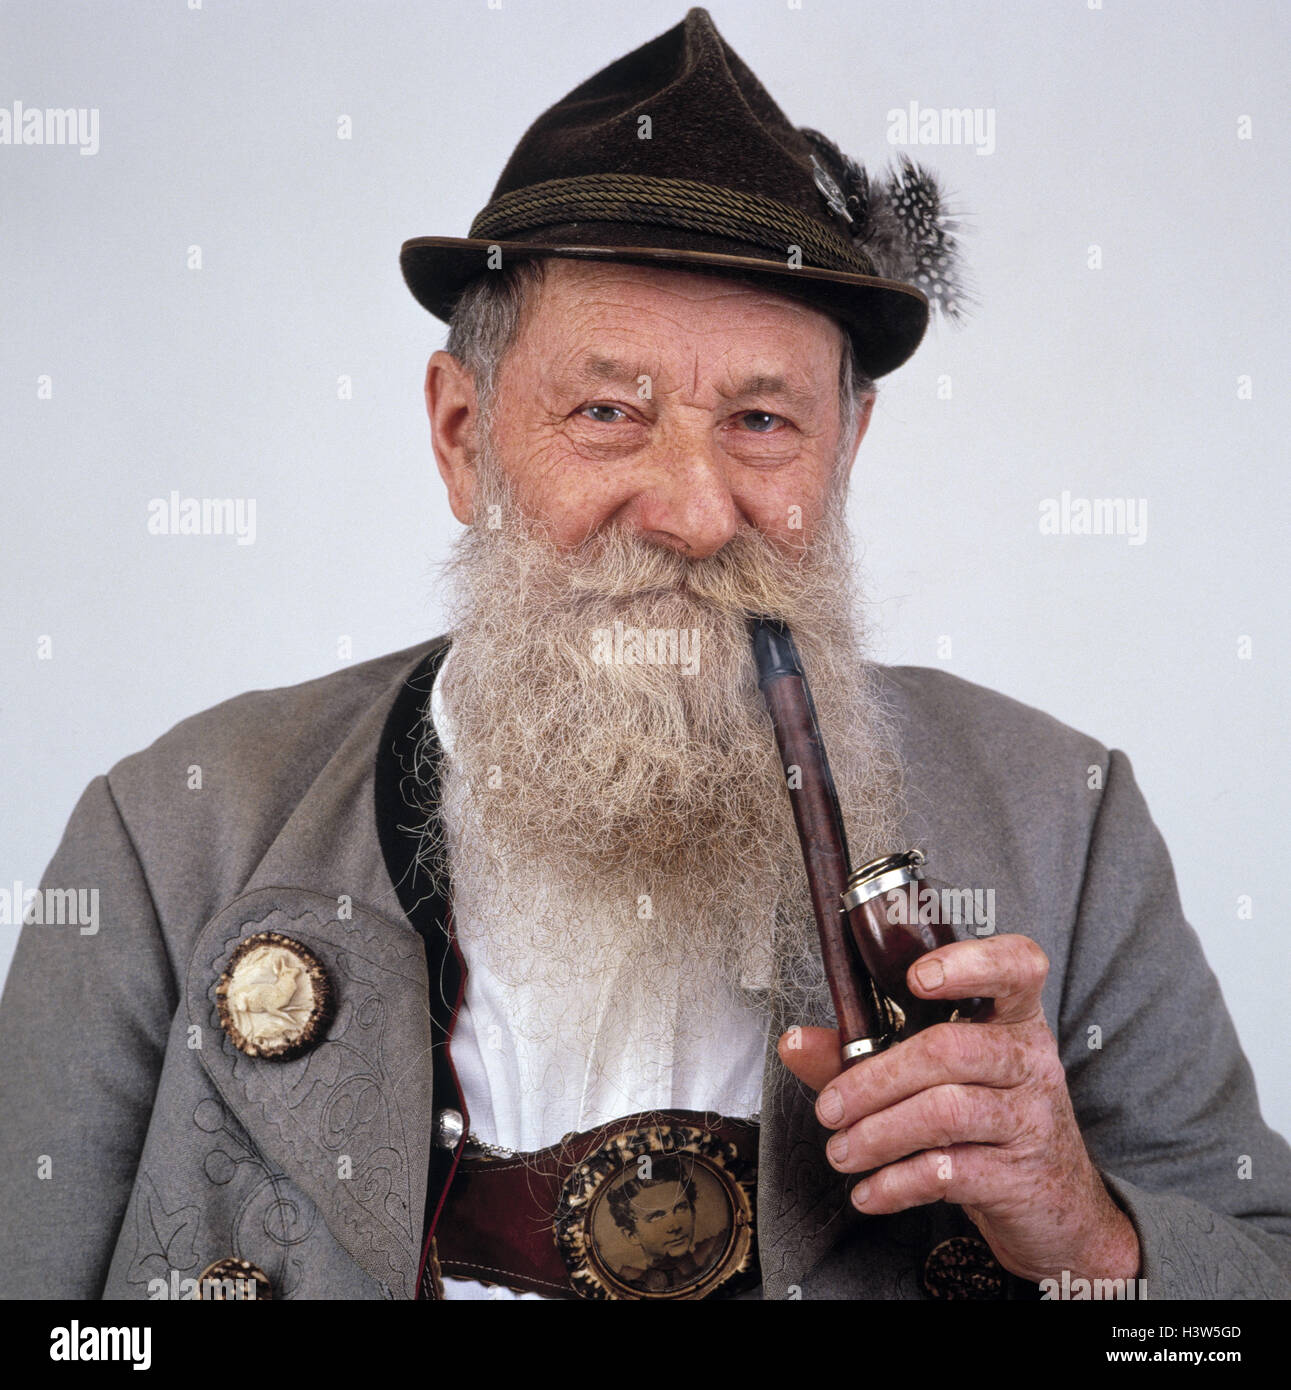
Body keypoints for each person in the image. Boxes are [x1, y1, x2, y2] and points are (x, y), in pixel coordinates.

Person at [2, 7, 1289, 1303]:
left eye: (764, 420)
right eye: (610, 412)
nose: (692, 509)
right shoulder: (172, 839)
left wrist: (1087, 1239)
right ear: (461, 435)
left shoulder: (1063, 827)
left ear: (846, 450)